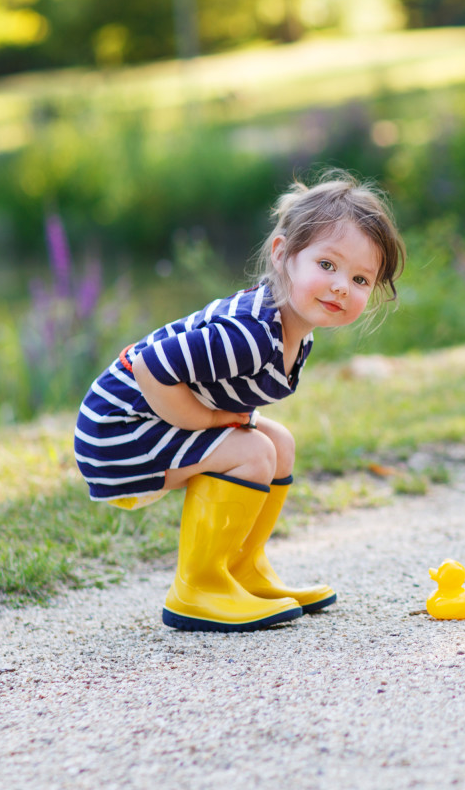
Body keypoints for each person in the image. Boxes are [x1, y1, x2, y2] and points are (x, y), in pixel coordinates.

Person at [74, 171, 405, 632]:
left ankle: (242, 571)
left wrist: (210, 421)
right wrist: (206, 419)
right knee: (253, 451)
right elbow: (150, 366)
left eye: (360, 279)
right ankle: (199, 587)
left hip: (145, 424)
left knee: (278, 442)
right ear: (282, 254)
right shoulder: (249, 334)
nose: (341, 287)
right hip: (117, 432)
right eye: (327, 265)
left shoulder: (292, 333)